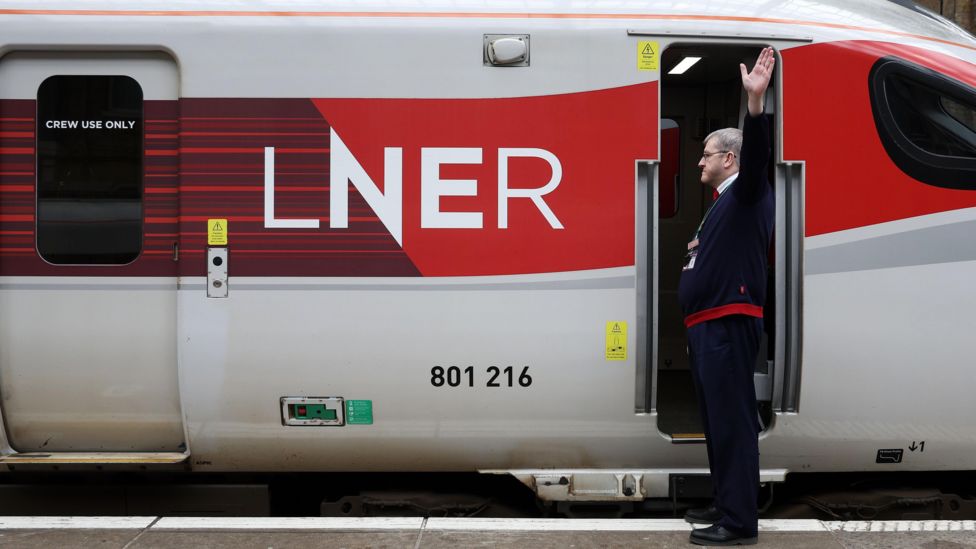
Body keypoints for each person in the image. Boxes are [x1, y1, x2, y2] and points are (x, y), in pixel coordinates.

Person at [678, 47, 776, 546]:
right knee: (717, 421)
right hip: (708, 326)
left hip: (727, 323)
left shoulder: (747, 190)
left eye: (706, 153)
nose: (699, 160)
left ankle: (738, 523)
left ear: (729, 158)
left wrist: (755, 106)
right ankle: (725, 503)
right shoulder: (722, 205)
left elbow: (759, 157)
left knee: (733, 422)